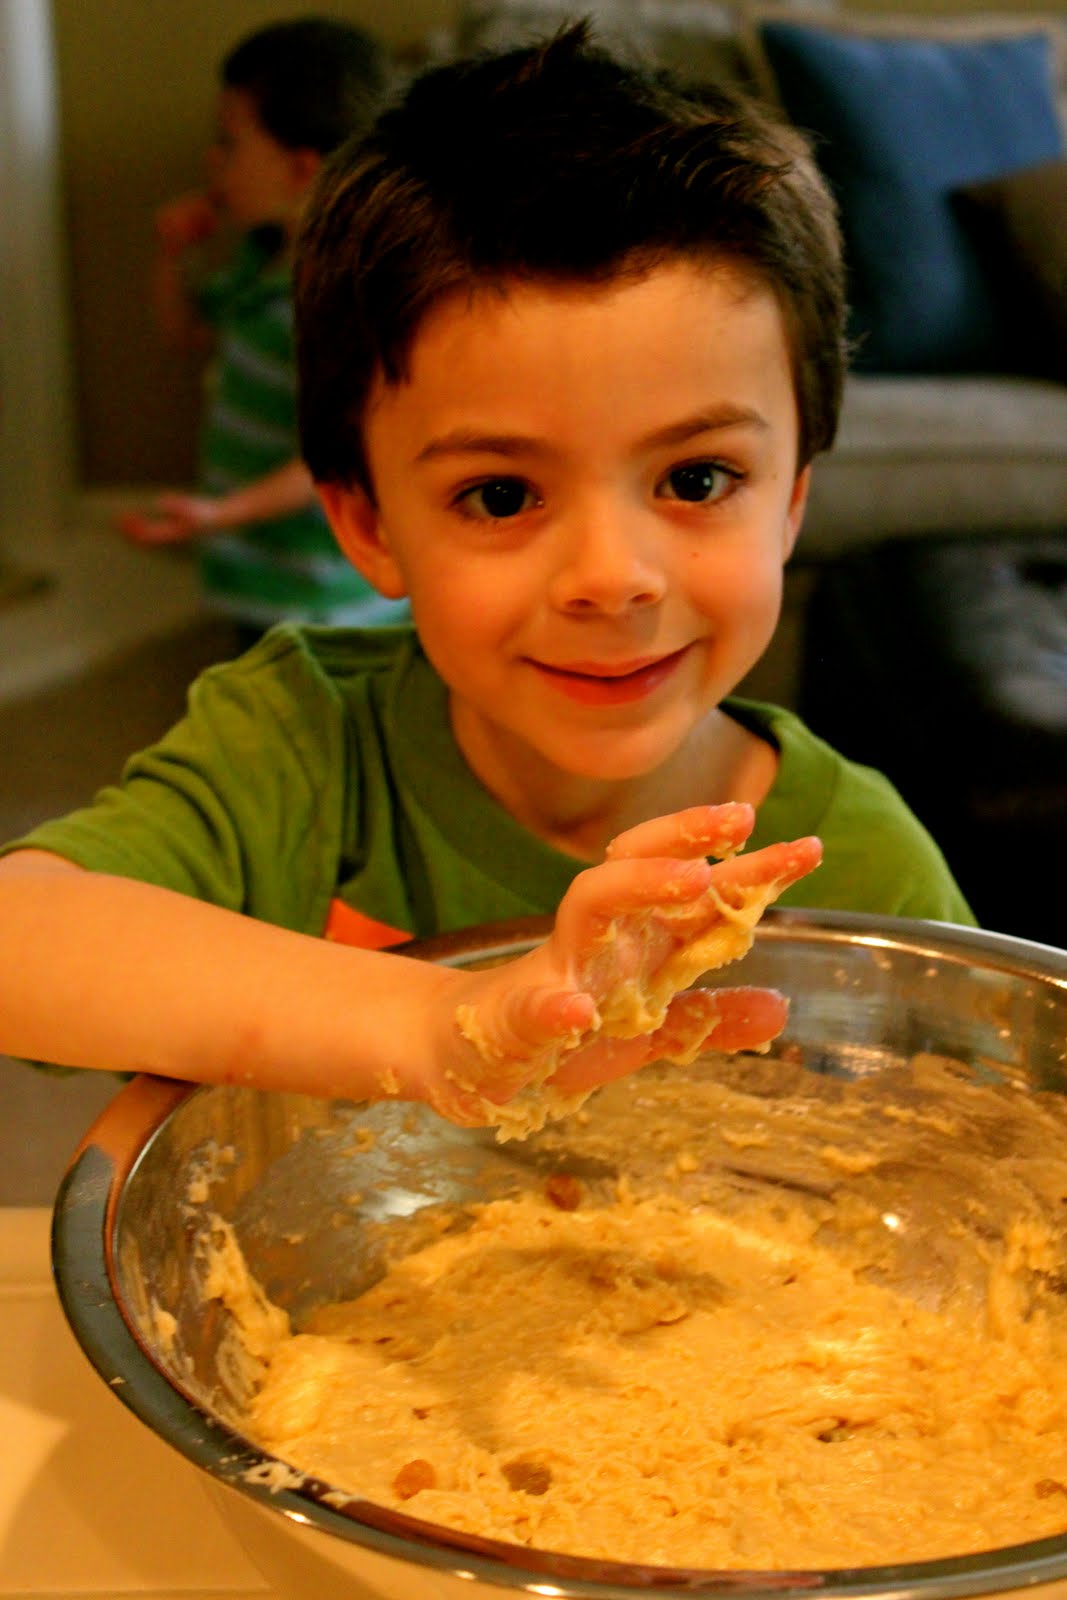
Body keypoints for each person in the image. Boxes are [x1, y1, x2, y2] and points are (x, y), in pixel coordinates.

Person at [0, 27, 972, 1128]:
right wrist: (432, 1027)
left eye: (696, 478)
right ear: (366, 526)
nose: (611, 579)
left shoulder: (860, 869)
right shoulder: (304, 755)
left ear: (792, 494)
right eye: (501, 496)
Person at [118, 16, 408, 639]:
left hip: (318, 584)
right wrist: (174, 258)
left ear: (301, 170)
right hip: (259, 560)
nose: (212, 161)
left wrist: (224, 512)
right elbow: (186, 334)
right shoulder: (259, 260)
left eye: (229, 143)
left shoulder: (334, 301)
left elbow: (327, 459)